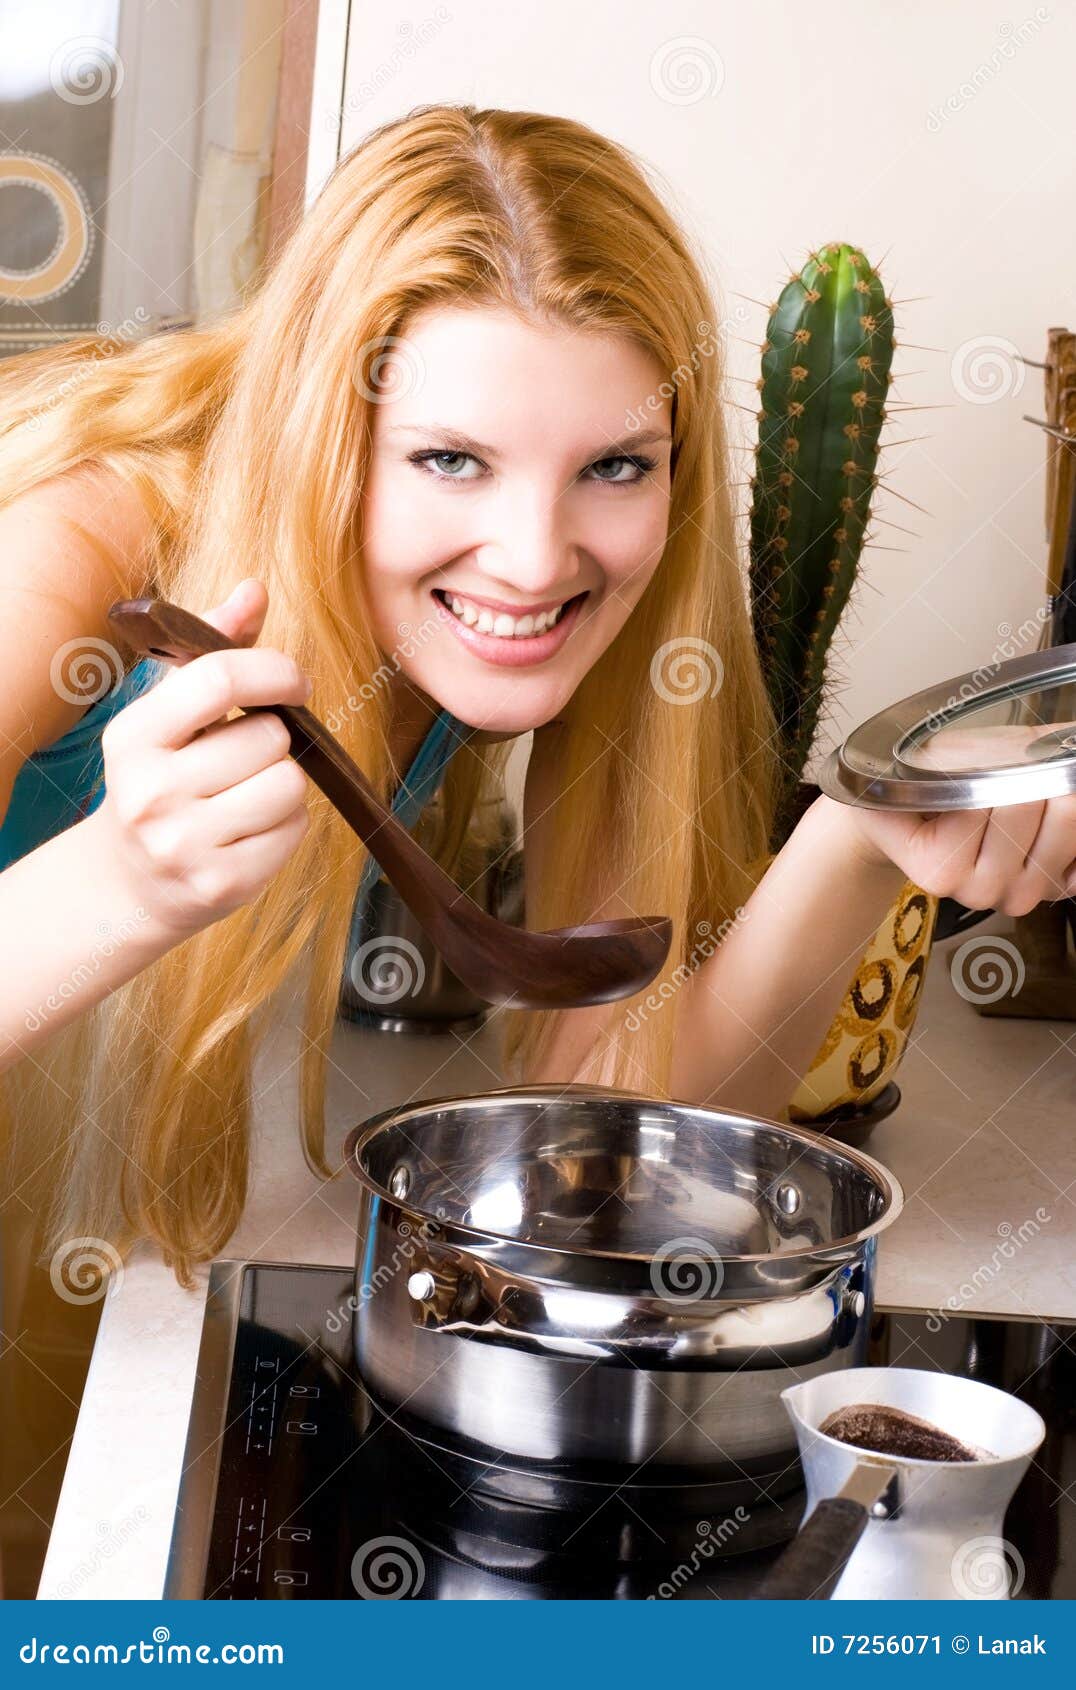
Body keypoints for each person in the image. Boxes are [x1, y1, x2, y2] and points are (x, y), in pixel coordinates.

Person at [1, 104, 1073, 1289]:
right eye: (448, 459)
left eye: (612, 466)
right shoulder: (78, 539)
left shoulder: (585, 608)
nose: (530, 556)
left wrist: (856, 839)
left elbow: (617, 1140)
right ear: (329, 439)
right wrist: (116, 887)